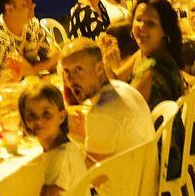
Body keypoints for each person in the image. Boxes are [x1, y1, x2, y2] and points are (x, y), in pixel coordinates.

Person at [60, 37, 154, 165]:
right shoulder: (122, 87)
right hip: (143, 175)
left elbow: (94, 178)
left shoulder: (101, 113)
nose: (71, 80)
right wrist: (84, 134)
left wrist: (69, 136)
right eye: (66, 71)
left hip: (126, 183)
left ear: (99, 68)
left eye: (78, 70)